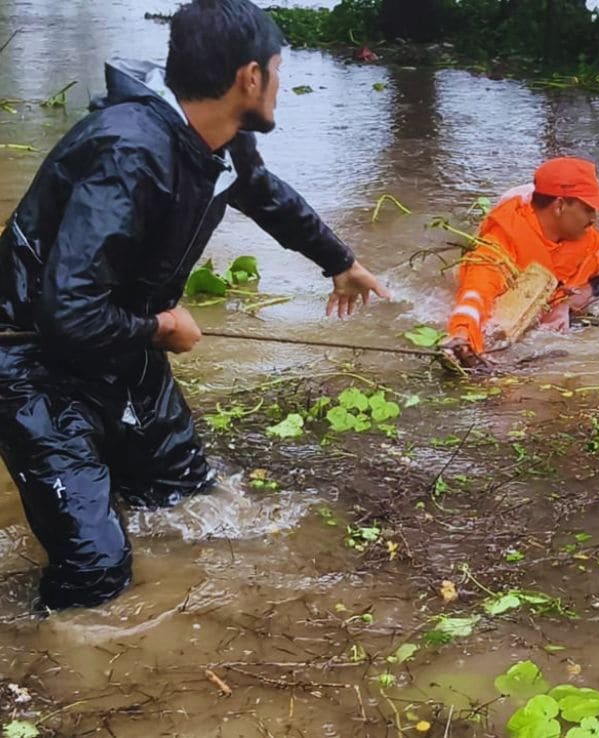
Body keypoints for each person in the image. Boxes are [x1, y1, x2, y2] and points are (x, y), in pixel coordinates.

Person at [0, 0, 390, 611]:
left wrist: (339, 262)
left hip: (119, 343)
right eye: (279, 70)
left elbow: (262, 192)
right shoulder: (130, 152)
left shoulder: (220, 142)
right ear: (250, 77)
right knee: (97, 574)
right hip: (32, 363)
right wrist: (162, 327)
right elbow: (67, 312)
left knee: (186, 499)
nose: (279, 84)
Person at [441, 157, 599, 368]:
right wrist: (462, 337)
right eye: (589, 209)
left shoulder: (579, 233)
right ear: (560, 206)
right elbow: (475, 295)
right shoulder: (497, 251)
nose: (593, 218)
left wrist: (569, 301)